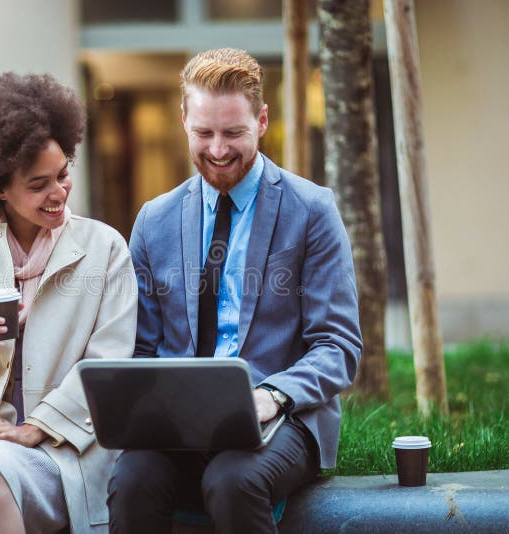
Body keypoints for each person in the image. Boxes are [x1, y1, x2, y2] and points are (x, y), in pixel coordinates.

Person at [107, 48, 362, 533]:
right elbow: (141, 346)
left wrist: (273, 395)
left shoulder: (312, 211)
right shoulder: (153, 221)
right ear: (183, 120)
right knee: (132, 478)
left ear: (262, 120)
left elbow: (338, 346)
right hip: (176, 424)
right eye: (203, 133)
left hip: (283, 419)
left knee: (232, 480)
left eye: (234, 133)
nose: (218, 150)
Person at [0, 72, 136, 534]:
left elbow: (110, 364)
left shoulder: (105, 248)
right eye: (39, 185)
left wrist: (38, 427)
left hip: (70, 447)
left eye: (63, 174)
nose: (58, 193)